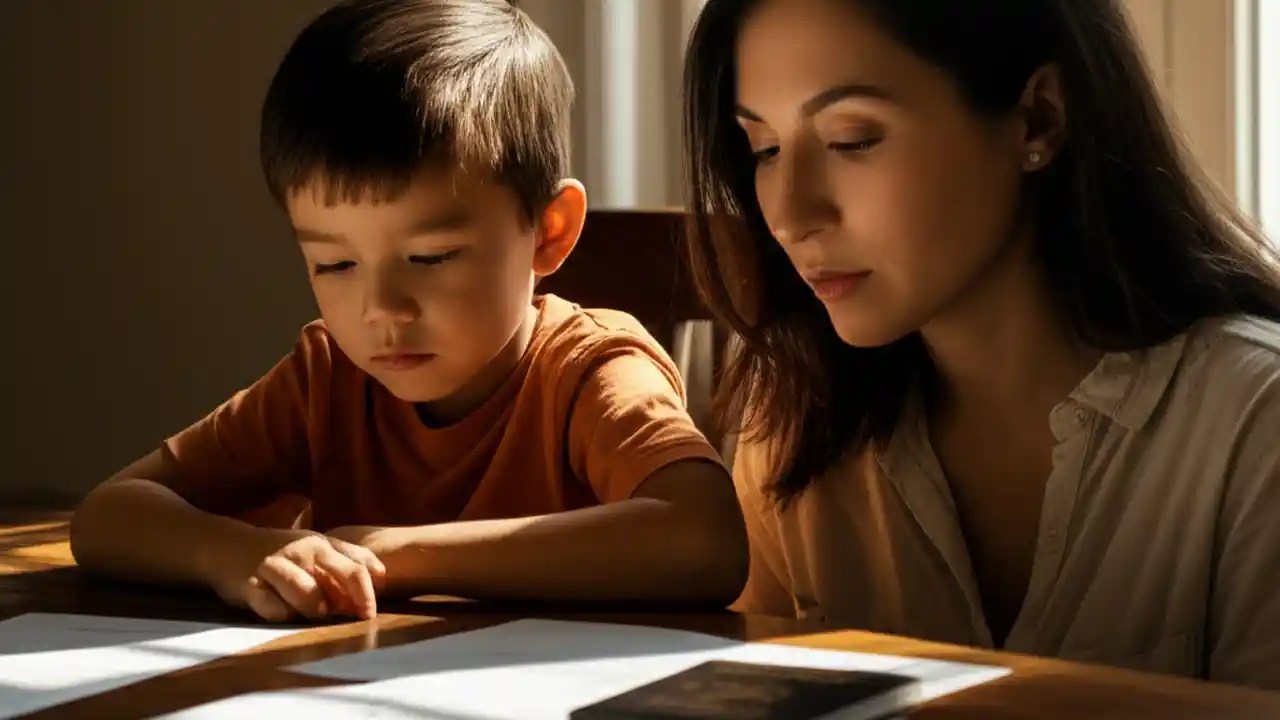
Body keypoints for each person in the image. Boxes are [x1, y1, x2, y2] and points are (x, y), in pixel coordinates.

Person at [70, 0, 747, 624]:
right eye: (334, 264)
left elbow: (705, 540)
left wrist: (397, 557)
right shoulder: (326, 379)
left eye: (430, 258)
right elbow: (108, 514)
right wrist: (236, 554)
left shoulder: (589, 371)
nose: (381, 310)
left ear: (549, 230)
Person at [682, 0, 1280, 687]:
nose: (790, 215)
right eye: (765, 149)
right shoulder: (796, 425)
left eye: (852, 140)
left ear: (1038, 117)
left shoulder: (1254, 428)